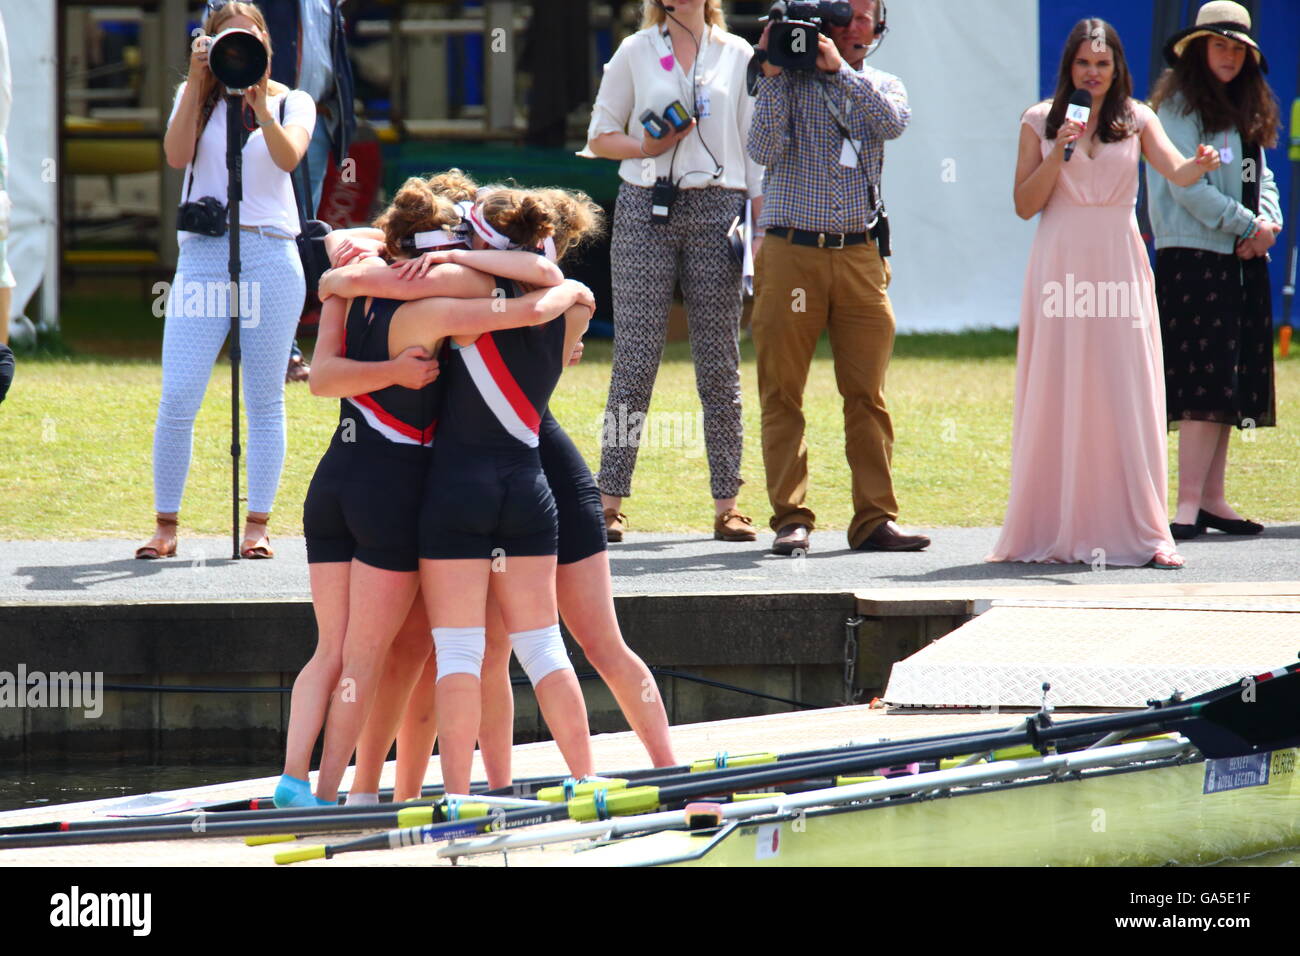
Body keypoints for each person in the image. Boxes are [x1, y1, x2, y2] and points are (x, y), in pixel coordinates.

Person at [331, 178, 677, 801]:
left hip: (511, 475)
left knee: (567, 644)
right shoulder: (565, 290)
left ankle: (663, 771)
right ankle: (533, 784)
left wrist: (348, 279)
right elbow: (548, 290)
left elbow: (375, 271)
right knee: (515, 650)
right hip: (526, 475)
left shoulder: (463, 283)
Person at [988, 18, 1221, 570]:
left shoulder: (1137, 118)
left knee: (1123, 386)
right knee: (1061, 382)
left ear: (1117, 69)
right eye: (1083, 64)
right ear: (1069, 66)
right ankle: (1052, 523)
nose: (1092, 74)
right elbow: (1024, 204)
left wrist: (1200, 165)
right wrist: (1057, 152)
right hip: (1060, 259)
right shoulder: (1038, 121)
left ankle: (1142, 529)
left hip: (1118, 261)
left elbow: (1176, 171)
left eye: (1103, 64)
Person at [748, 0, 927, 557]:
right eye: (842, 17)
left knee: (867, 394)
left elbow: (892, 124)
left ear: (879, 27)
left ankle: (875, 519)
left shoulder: (883, 84)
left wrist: (840, 73)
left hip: (858, 255)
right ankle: (791, 518)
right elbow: (760, 150)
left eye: (863, 19)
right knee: (782, 391)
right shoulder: (787, 82)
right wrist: (775, 72)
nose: (853, 28)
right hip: (790, 251)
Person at [137, 1, 314, 561]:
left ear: (267, 43)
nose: (238, 49)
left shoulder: (293, 100)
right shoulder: (196, 97)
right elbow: (174, 156)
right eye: (225, 40)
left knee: (264, 399)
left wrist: (262, 109)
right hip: (205, 255)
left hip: (270, 252)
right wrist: (195, 81)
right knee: (179, 394)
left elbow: (289, 160)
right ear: (207, 45)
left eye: (249, 39)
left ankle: (258, 524)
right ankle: (166, 526)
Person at [586, 0, 764, 543]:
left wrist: (758, 229)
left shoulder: (737, 53)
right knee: (635, 360)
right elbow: (599, 136)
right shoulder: (635, 50)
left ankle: (727, 504)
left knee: (720, 362)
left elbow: (754, 152)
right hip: (646, 202)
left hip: (720, 206)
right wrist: (647, 145)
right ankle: (609, 501)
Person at [1147, 1, 1283, 541]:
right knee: (1201, 384)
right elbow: (1188, 187)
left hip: (1242, 259)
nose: (1228, 56)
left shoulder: (1244, 107)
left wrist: (1268, 222)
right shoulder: (1178, 107)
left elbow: (1263, 175)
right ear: (1199, 49)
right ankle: (1184, 506)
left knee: (1228, 384)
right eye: (1219, 45)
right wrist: (1247, 226)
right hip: (1195, 259)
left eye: (1237, 48)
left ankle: (1211, 499)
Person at [263, 0, 357, 383]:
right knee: (272, 234)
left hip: (313, 118)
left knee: (300, 238)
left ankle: (285, 349)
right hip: (265, 118)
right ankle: (276, 350)